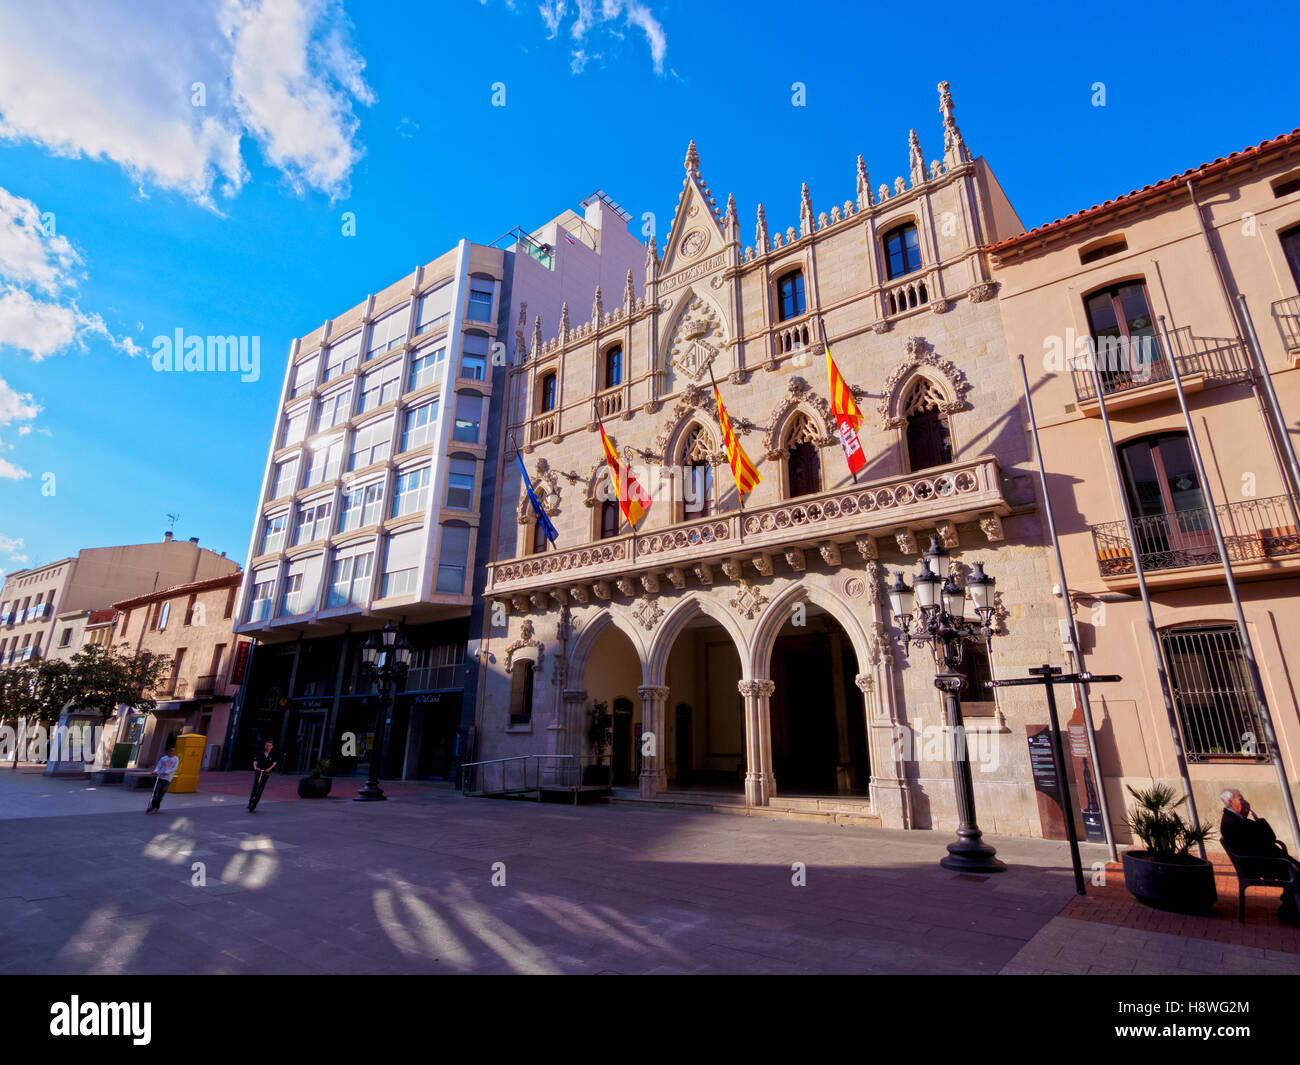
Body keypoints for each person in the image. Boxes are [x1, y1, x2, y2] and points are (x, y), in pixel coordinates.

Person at [1219, 789, 1300, 925]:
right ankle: (1290, 911)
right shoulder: (1231, 822)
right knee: (1295, 872)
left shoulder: (1239, 819)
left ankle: (1289, 908)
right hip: (1258, 864)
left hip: (1268, 859)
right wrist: (1258, 822)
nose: (1245, 802)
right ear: (1230, 802)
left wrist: (1256, 819)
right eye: (1241, 799)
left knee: (1295, 869)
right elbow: (1264, 839)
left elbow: (1268, 838)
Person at [147, 745, 179, 814]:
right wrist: (155, 771)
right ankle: (152, 806)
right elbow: (158, 766)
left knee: (161, 794)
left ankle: (157, 807)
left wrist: (167, 772)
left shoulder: (175, 759)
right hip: (160, 777)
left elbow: (175, 768)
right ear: (167, 751)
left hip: (168, 779)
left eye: (173, 751)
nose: (172, 752)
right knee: (155, 793)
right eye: (171, 750)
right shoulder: (163, 758)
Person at [249, 741, 277, 812]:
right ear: (265, 746)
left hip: (266, 773)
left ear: (272, 747)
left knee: (260, 789)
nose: (268, 747)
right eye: (267, 745)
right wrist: (255, 767)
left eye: (269, 746)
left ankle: (254, 804)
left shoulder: (273, 755)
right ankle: (250, 803)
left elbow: (274, 763)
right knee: (255, 787)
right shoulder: (260, 754)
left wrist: (269, 769)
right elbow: (255, 761)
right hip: (259, 772)